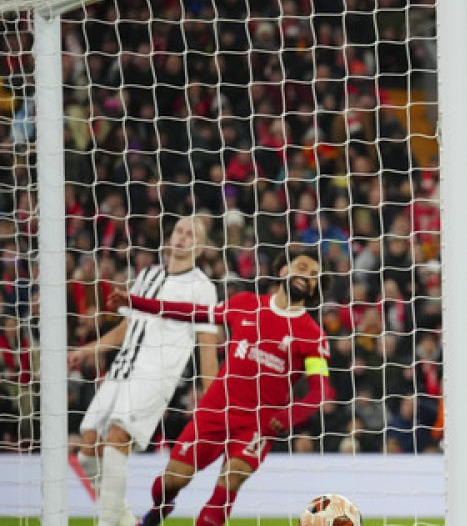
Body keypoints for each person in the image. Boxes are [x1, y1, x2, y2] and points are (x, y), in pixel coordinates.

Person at [107, 249, 334, 526]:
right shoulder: (245, 304)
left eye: (314, 276)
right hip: (216, 409)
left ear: (315, 289)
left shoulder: (313, 336)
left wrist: (288, 417)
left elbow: (320, 392)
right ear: (283, 271)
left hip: (257, 423)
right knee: (173, 479)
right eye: (302, 268)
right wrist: (134, 301)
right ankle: (159, 509)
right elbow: (193, 312)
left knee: (231, 478)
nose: (307, 277)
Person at [71, 216, 219, 526]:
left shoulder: (202, 288)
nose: (181, 237)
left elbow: (207, 345)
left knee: (116, 439)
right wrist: (88, 350)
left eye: (190, 234)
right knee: (87, 449)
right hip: (121, 370)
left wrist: (213, 397)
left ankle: (108, 523)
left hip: (154, 377)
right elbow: (125, 329)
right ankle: (124, 520)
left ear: (201, 246)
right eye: (178, 230)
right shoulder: (148, 275)